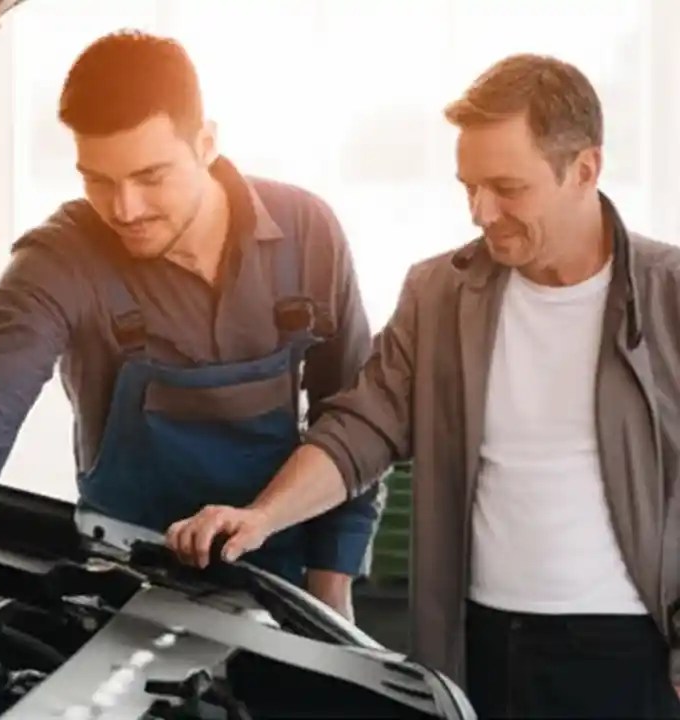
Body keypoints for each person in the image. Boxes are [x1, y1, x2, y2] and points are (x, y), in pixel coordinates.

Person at [165, 52, 680, 718]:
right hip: (476, 647)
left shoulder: (670, 298)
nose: (480, 211)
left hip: (629, 658)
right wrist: (262, 516)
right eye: (468, 186)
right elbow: (362, 425)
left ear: (585, 169)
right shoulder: (439, 293)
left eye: (507, 187)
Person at [0, 30, 385, 635]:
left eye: (150, 176)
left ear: (205, 143)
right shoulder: (63, 255)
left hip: (284, 578)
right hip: (124, 584)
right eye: (97, 180)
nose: (124, 208)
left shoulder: (307, 231)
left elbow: (356, 421)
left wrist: (329, 589)